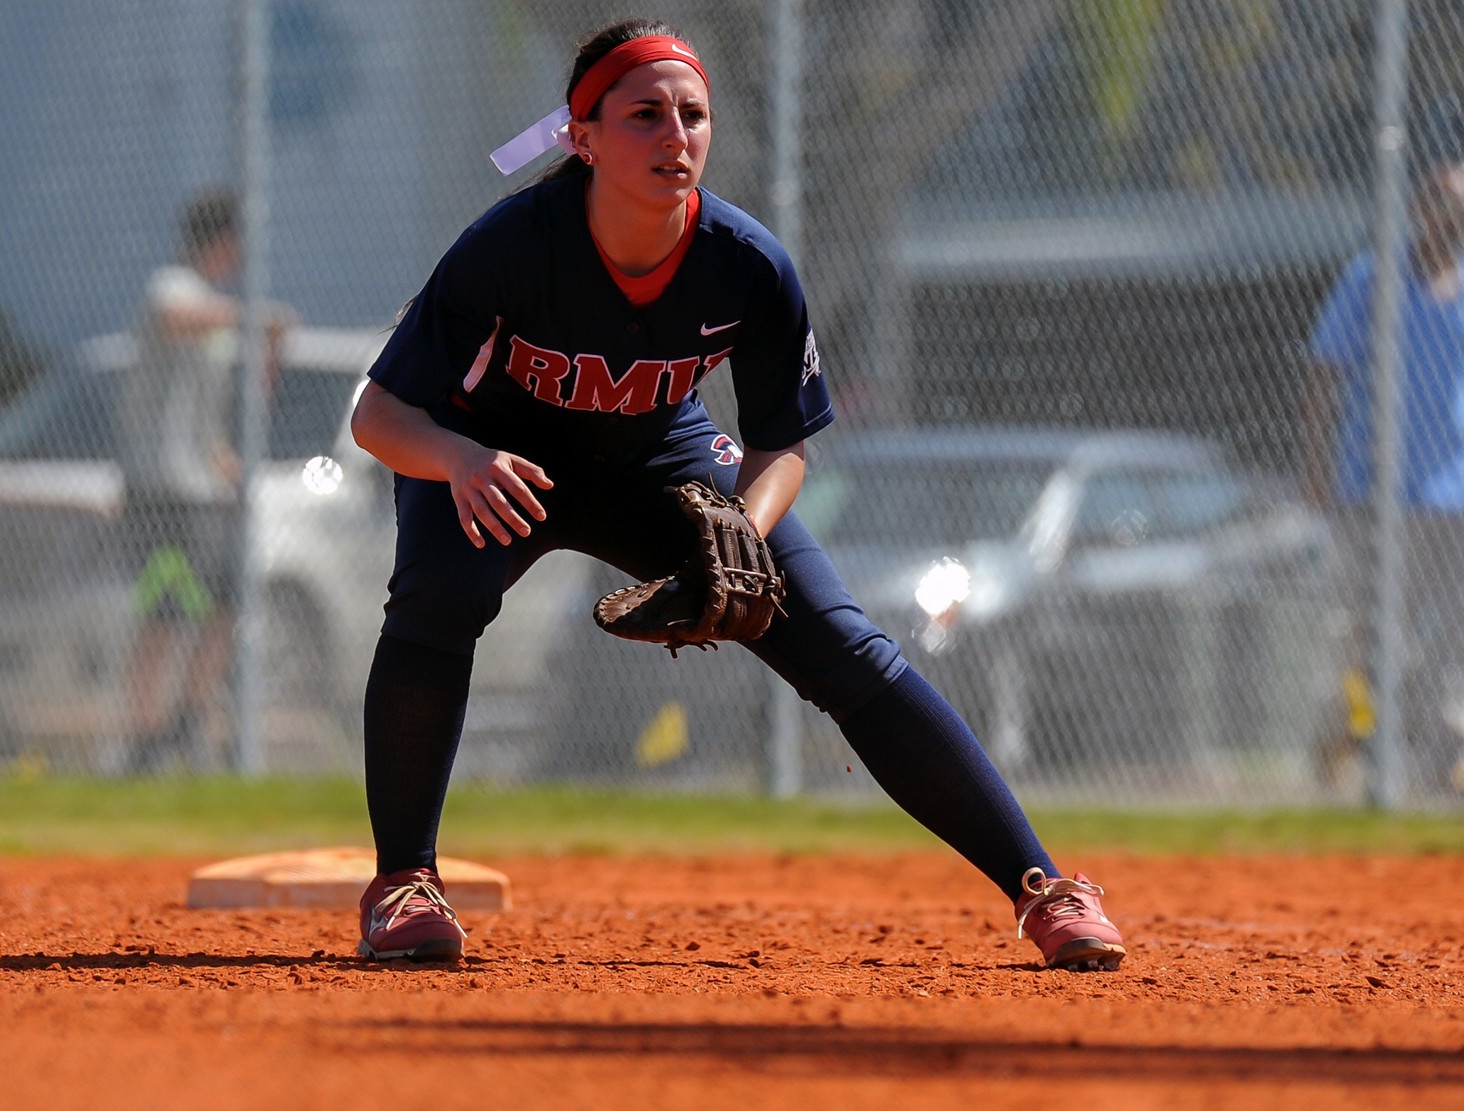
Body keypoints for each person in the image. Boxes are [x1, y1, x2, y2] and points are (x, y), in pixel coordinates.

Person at [348, 19, 1127, 969]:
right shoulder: (512, 245)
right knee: (436, 601)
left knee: (844, 644)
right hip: (501, 463)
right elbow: (379, 415)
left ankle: (1044, 888)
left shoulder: (745, 262)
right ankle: (403, 884)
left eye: (692, 114)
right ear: (582, 138)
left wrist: (739, 533)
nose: (674, 135)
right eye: (644, 115)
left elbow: (782, 446)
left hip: (658, 461)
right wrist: (459, 461)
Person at [117, 188, 294, 773]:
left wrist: (224, 455)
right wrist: (255, 317)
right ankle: (143, 737)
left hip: (205, 487)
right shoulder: (172, 287)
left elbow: (215, 404)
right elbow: (175, 318)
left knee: (227, 600)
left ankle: (189, 715)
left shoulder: (218, 310)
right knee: (166, 611)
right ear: (222, 242)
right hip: (160, 488)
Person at [1305, 157, 1464, 799]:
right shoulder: (1371, 277)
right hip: (1372, 493)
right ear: (1424, 208)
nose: (1451, 219)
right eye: (1444, 203)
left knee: (1451, 638)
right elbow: (1325, 373)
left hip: (1452, 495)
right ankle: (1346, 748)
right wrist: (1315, 468)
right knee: (1366, 631)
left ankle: (1437, 762)